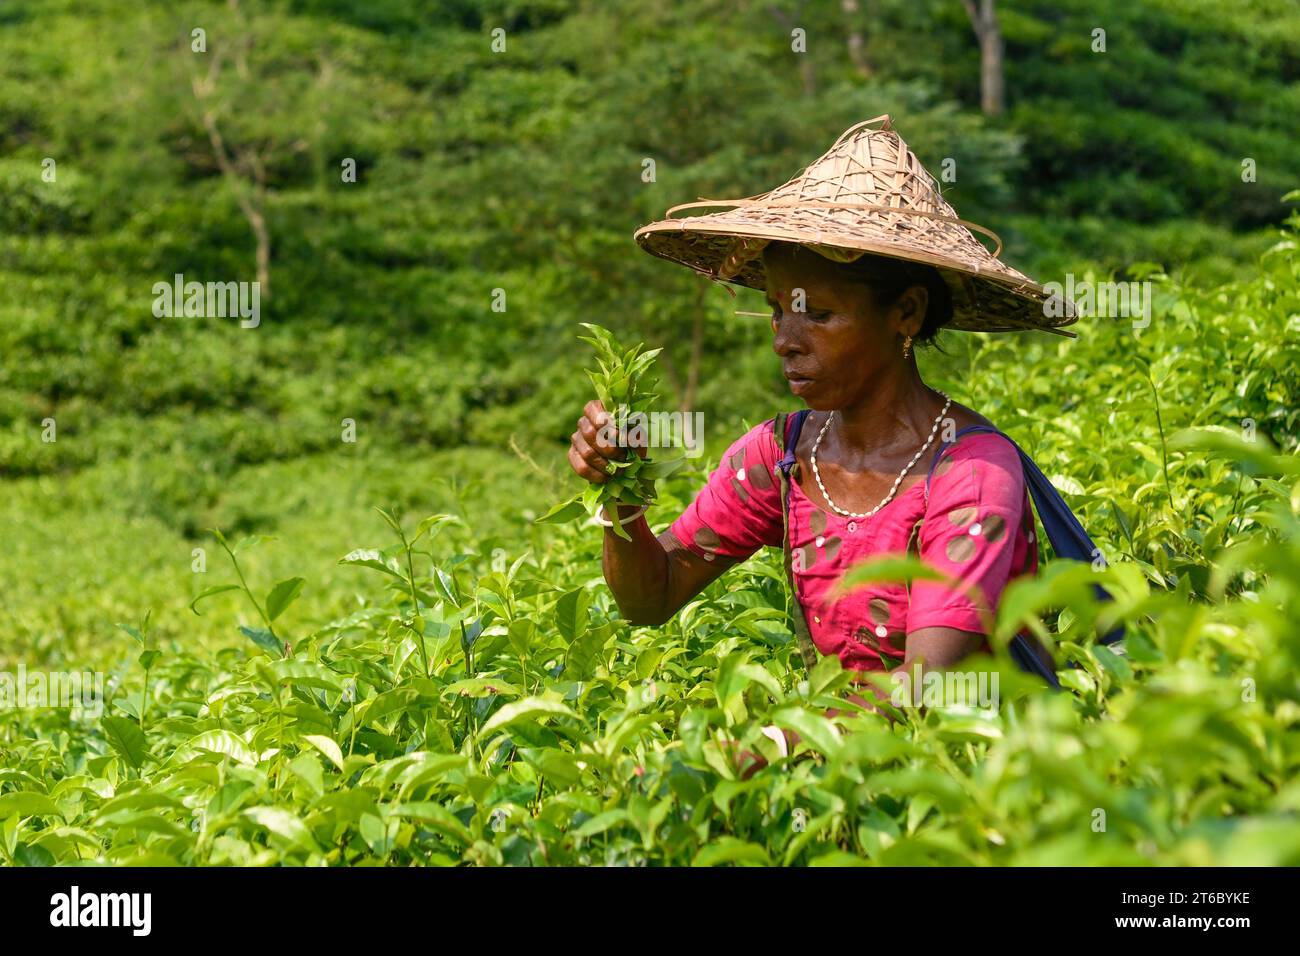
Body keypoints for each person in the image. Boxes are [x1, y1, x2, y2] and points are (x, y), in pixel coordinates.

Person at [567, 117, 1074, 776]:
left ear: (906, 314)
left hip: (968, 798)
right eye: (778, 309)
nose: (785, 338)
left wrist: (764, 750)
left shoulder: (971, 471)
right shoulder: (781, 456)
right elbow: (651, 596)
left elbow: (928, 696)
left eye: (819, 314)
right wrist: (620, 497)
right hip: (833, 779)